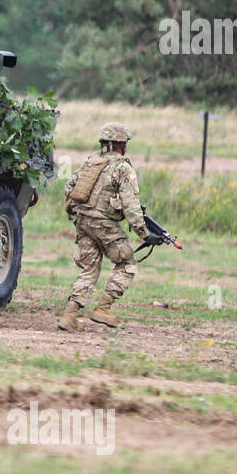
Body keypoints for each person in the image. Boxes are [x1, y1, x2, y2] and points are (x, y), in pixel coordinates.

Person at [57, 122, 163, 331]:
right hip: (104, 225)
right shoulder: (123, 168)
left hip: (83, 222)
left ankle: (69, 316)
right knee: (127, 263)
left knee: (89, 269)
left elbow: (69, 188)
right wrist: (145, 234)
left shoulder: (91, 162)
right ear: (122, 145)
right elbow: (132, 207)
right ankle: (103, 309)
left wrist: (74, 216)